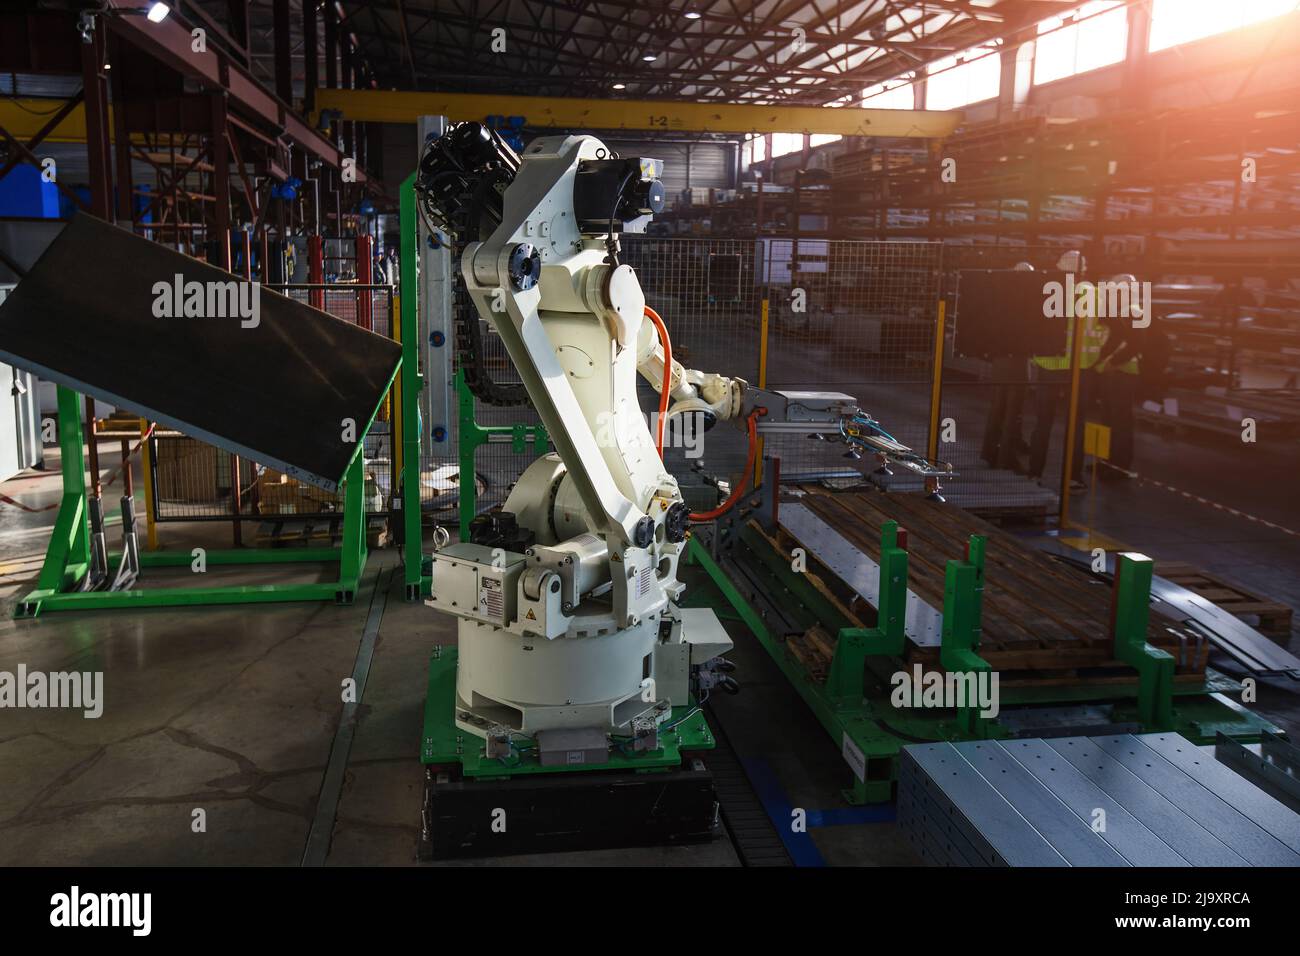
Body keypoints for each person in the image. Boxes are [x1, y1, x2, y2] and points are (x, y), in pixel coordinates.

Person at [1028, 250, 1103, 489]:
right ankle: (1073, 477)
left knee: (1043, 422)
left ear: (1060, 268)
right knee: (1077, 423)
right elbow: (1103, 332)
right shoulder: (1094, 294)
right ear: (1083, 270)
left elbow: (1033, 328)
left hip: (1050, 366)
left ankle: (1034, 473)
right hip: (1081, 368)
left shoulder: (1047, 292)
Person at [979, 261, 1034, 471]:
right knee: (1013, 412)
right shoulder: (1027, 302)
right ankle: (1006, 458)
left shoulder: (1000, 299)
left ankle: (989, 452)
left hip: (1000, 362)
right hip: (1018, 363)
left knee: (997, 409)